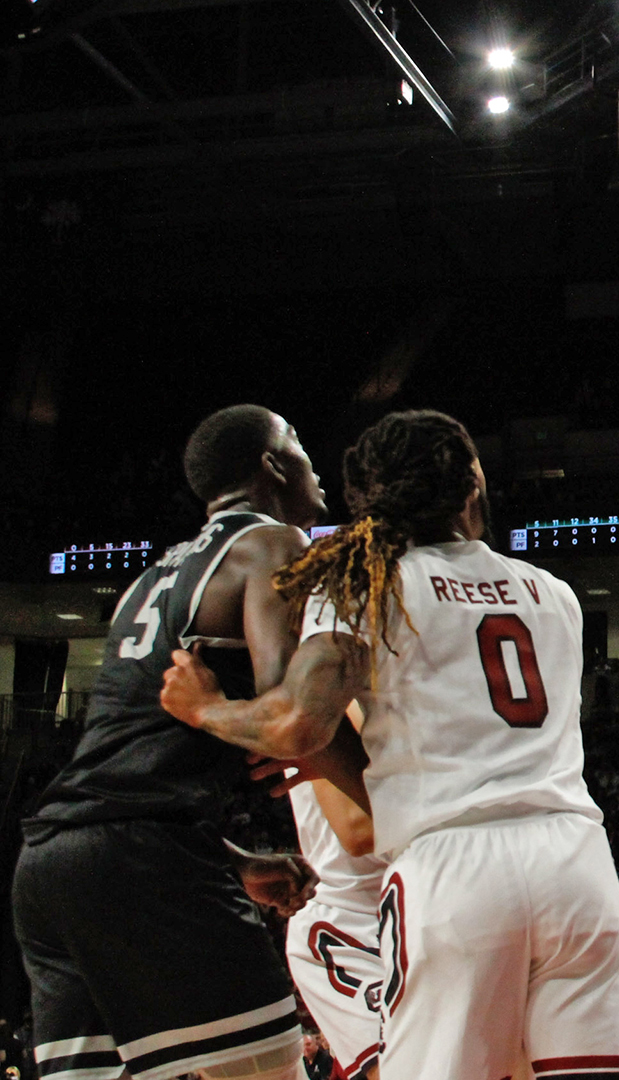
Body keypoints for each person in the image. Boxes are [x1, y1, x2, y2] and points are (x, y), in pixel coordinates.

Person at [160, 409, 619, 1078]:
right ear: (472, 483)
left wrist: (210, 708)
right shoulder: (555, 593)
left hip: (455, 865)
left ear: (366, 501)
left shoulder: (368, 582)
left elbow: (298, 725)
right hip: (575, 859)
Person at [15, 405, 336, 1080]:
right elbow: (285, 711)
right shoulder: (273, 545)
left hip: (50, 861)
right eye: (301, 445)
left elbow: (121, 759)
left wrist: (232, 859)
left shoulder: (146, 580)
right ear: (273, 465)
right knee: (269, 1070)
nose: (317, 467)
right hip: (144, 857)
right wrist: (224, 711)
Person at [283, 705, 386, 1080]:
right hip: (353, 915)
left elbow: (360, 832)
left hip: (405, 900)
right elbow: (358, 833)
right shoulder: (331, 694)